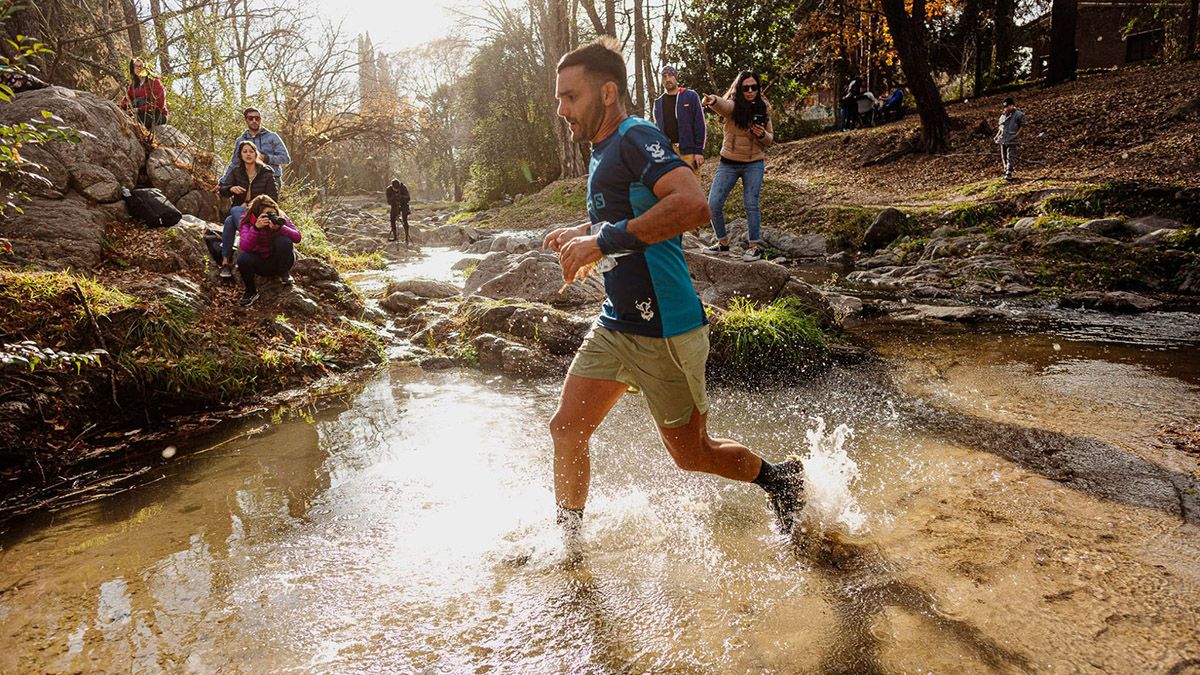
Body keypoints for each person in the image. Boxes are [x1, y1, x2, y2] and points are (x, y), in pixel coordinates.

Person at [544, 38, 805, 547]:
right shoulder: (602, 151)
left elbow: (692, 206)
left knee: (692, 455)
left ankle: (781, 480)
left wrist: (601, 240)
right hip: (617, 322)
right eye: (559, 98)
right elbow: (625, 217)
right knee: (567, 429)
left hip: (665, 328)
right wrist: (584, 232)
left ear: (609, 93)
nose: (561, 110)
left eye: (570, 97)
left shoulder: (635, 136)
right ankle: (568, 547)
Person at [700, 71, 774, 261]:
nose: (750, 91)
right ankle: (723, 244)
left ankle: (754, 246)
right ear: (739, 89)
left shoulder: (764, 108)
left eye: (754, 87)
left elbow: (769, 140)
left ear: (758, 88)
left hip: (753, 163)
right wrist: (713, 100)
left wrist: (761, 134)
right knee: (713, 203)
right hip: (728, 163)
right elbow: (724, 105)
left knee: (751, 204)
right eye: (746, 88)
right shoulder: (733, 107)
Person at [217, 140, 278, 278]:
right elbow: (223, 190)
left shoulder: (266, 172)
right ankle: (226, 262)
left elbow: (273, 197)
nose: (248, 154)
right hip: (240, 211)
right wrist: (230, 188)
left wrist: (252, 204)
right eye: (245, 151)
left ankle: (247, 243)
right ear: (240, 155)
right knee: (229, 220)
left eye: (251, 151)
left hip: (259, 212)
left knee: (233, 214)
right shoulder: (236, 171)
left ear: (256, 153)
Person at [235, 195, 301, 306]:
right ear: (257, 214)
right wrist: (256, 228)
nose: (270, 217)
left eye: (272, 214)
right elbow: (245, 246)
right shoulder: (247, 220)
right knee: (243, 259)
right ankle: (250, 291)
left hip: (283, 261)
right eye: (267, 215)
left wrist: (280, 228)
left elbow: (297, 237)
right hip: (261, 262)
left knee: (284, 241)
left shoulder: (281, 216)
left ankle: (284, 274)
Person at [652, 65, 706, 178]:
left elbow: (700, 124)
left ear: (676, 77)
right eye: (664, 77)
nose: (667, 79)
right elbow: (658, 130)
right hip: (668, 154)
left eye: (670, 75)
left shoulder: (690, 96)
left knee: (692, 189)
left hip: (688, 152)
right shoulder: (658, 103)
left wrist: (698, 151)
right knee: (674, 190)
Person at [222, 107, 291, 191]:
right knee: (244, 203)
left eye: (257, 118)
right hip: (247, 180)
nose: (254, 121)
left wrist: (265, 158)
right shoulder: (241, 140)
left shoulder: (272, 137)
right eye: (251, 118)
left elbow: (285, 158)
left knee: (266, 203)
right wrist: (222, 183)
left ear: (260, 119)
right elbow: (235, 163)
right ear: (246, 120)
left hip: (272, 179)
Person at [118, 57, 168, 129]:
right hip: (140, 113)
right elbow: (127, 99)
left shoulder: (154, 82)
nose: (138, 68)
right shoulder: (133, 85)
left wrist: (139, 109)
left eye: (141, 66)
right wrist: (123, 106)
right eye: (136, 66)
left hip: (157, 115)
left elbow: (159, 104)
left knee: (134, 119)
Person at [995, 97, 1026, 181]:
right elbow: (1000, 127)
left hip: (1012, 139)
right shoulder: (1002, 116)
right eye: (1005, 107)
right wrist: (997, 136)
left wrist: (1017, 135)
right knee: (1004, 156)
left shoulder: (1019, 115)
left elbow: (1022, 126)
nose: (1006, 108)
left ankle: (1009, 171)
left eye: (1008, 106)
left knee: (1011, 156)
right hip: (1003, 139)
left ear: (1012, 105)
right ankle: (1006, 170)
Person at [385, 179, 411, 244]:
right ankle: (395, 237)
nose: (396, 190)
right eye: (395, 189)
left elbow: (408, 198)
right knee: (392, 219)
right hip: (394, 205)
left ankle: (406, 237)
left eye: (398, 188)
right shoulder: (388, 189)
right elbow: (388, 202)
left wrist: (401, 197)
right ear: (392, 186)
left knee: (405, 220)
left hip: (404, 204)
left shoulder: (403, 187)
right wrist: (393, 198)